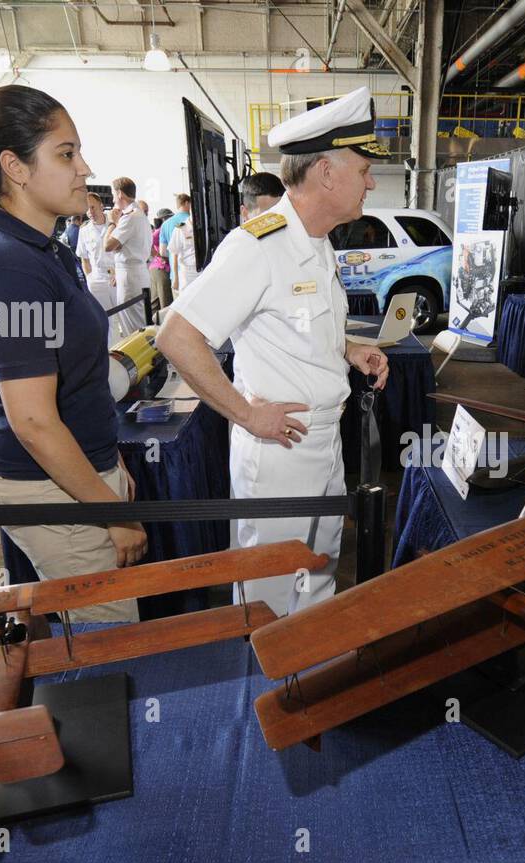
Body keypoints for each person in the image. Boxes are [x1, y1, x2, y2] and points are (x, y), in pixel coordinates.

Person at [156, 86, 390, 617]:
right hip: (281, 449)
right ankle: (268, 687)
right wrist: (245, 413)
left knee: (319, 565)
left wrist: (349, 349)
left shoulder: (317, 240)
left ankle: (309, 672)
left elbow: (294, 327)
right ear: (327, 172)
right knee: (272, 587)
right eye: (363, 169)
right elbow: (177, 335)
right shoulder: (257, 246)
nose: (371, 181)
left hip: (325, 438)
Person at [0, 84, 146, 621]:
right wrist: (112, 513)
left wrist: (107, 460)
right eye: (66, 154)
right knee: (109, 636)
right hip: (46, 484)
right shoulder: (6, 267)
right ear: (14, 166)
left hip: (76, 470)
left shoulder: (42, 248)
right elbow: (33, 421)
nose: (84, 168)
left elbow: (73, 380)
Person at [103, 176, 151, 341]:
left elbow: (107, 246)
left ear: (120, 194)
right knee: (138, 322)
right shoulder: (138, 214)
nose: (113, 198)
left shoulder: (129, 217)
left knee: (134, 328)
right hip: (136, 272)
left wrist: (112, 223)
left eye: (113, 194)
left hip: (130, 276)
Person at [75, 191, 116, 314]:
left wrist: (119, 272)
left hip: (116, 277)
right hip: (97, 279)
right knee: (105, 319)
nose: (90, 212)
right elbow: (84, 258)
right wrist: (89, 278)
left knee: (123, 317)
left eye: (93, 207)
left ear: (101, 206)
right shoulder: (84, 231)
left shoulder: (115, 225)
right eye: (87, 209)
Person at [149, 207, 173, 310]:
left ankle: (154, 325)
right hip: (162, 268)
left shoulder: (158, 230)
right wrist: (160, 257)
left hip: (155, 268)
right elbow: (149, 245)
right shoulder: (161, 230)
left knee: (155, 303)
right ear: (164, 219)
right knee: (165, 302)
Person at [168, 215, 198, 292]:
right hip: (188, 275)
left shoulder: (204, 225)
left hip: (203, 272)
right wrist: (176, 278)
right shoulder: (181, 228)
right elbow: (174, 255)